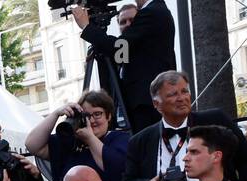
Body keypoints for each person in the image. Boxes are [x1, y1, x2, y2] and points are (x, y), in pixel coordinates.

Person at [75, 0, 177, 130]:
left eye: (133, 22)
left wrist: (86, 27)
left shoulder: (152, 12)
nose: (129, 25)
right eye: (123, 22)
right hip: (145, 105)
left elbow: (118, 47)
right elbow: (119, 54)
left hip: (147, 106)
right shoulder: (157, 12)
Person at [24, 90, 131, 181]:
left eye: (97, 114)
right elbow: (32, 145)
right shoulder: (70, 142)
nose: (91, 121)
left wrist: (90, 138)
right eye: (86, 116)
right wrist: (56, 113)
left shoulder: (120, 139)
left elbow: (114, 167)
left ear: (109, 116)